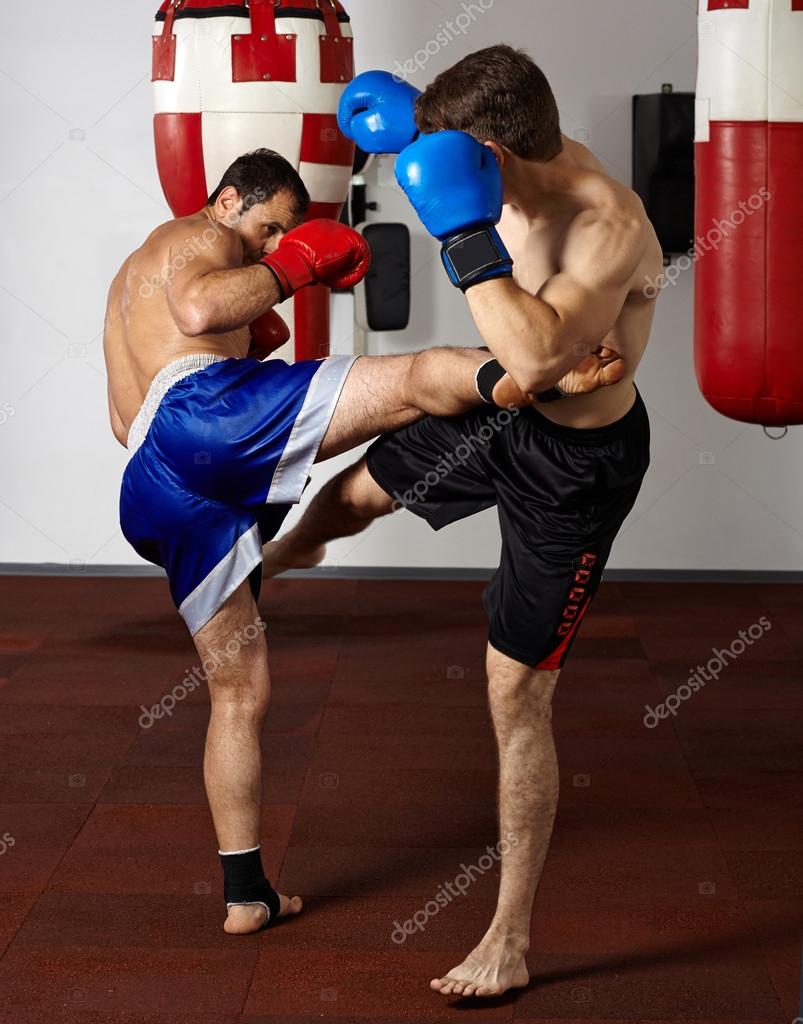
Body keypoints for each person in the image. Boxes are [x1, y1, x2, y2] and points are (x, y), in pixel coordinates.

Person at [103, 147, 623, 939]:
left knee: (239, 693)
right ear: (228, 199)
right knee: (415, 379)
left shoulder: (124, 290)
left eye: (286, 235)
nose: (275, 242)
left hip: (150, 487)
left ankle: (247, 895)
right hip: (199, 418)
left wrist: (257, 326)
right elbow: (202, 312)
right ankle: (533, 374)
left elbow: (122, 424)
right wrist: (300, 265)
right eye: (270, 225)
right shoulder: (190, 236)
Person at [264, 46, 662, 997]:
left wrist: (460, 227)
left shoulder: (604, 223)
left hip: (574, 468)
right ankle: (267, 567)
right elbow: (515, 373)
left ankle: (509, 939)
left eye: (450, 152)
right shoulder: (504, 165)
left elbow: (526, 355)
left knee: (513, 691)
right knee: (354, 497)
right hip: (499, 417)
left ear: (485, 149)